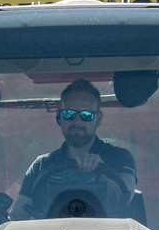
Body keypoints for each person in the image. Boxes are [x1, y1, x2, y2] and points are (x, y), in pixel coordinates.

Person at [13, 78, 138, 219]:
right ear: (59, 116)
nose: (77, 121)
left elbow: (126, 194)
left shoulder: (119, 158)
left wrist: (101, 173)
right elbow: (17, 216)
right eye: (69, 114)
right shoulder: (41, 166)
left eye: (86, 115)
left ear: (99, 118)